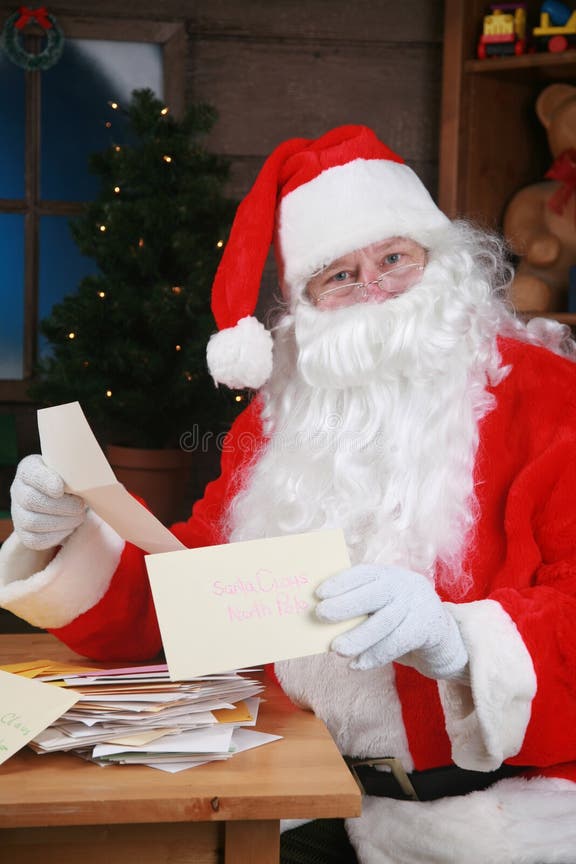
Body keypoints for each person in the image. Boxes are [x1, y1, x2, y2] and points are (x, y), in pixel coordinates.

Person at [2, 125, 576, 864]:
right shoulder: (279, 419)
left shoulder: (549, 396)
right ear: (302, 304)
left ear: (440, 260)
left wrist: (461, 641)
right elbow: (194, 597)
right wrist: (72, 535)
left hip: (496, 817)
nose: (372, 288)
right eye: (338, 275)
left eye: (394, 259)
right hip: (298, 798)